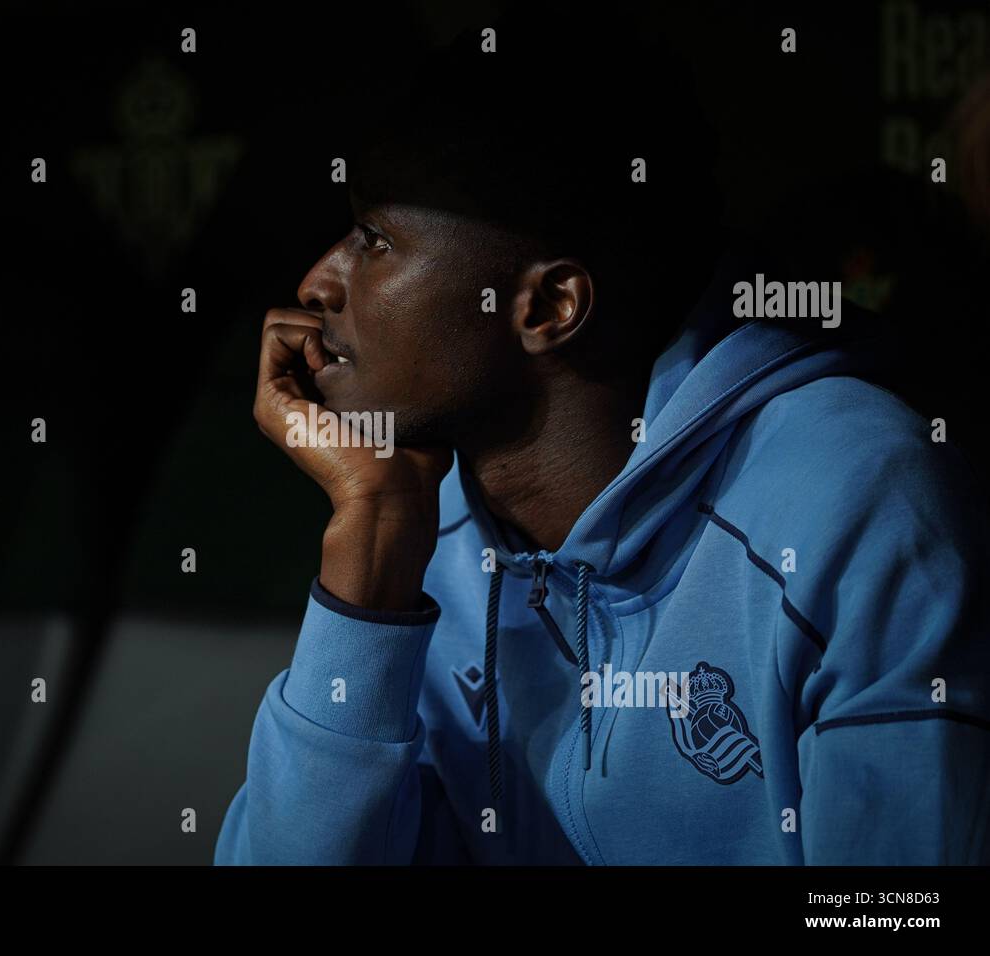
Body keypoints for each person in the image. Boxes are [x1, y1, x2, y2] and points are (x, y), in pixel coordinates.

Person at [214, 11, 989, 865]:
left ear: (548, 309)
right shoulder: (422, 532)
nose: (316, 283)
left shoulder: (854, 492)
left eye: (375, 240)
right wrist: (370, 549)